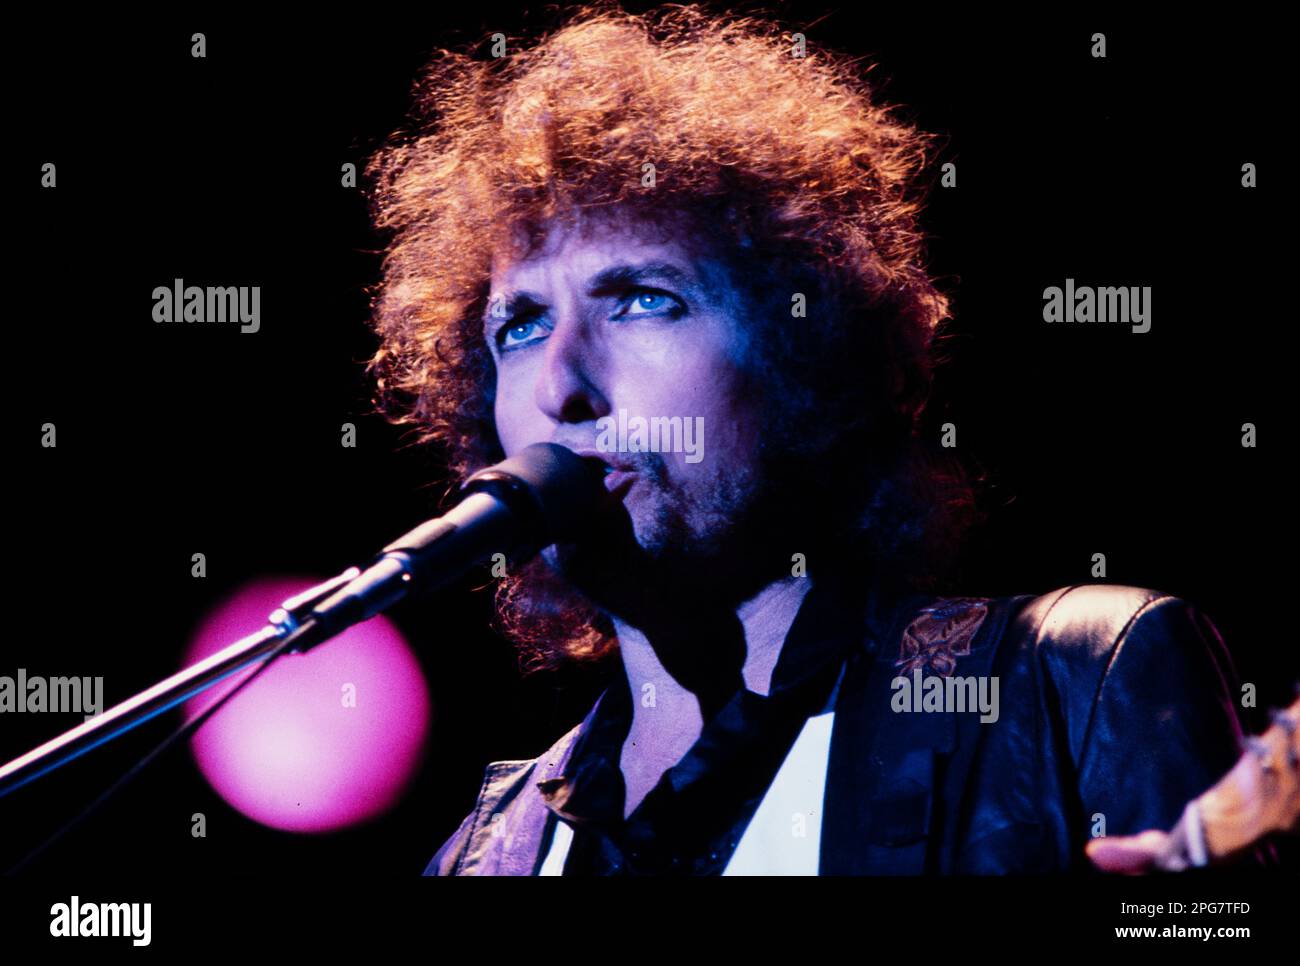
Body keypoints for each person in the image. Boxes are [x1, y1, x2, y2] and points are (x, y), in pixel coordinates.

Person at [361, 4, 1275, 874]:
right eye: (519, 325)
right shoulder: (494, 851)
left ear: (804, 354)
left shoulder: (1071, 683)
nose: (561, 384)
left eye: (645, 299)